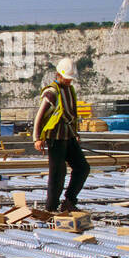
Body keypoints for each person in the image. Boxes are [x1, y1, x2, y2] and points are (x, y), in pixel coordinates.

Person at [33, 58, 89, 213]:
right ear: (59, 75)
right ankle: (50, 208)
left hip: (68, 136)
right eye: (67, 77)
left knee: (82, 168)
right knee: (57, 175)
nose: (70, 80)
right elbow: (39, 116)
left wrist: (75, 133)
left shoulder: (70, 90)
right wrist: (37, 138)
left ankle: (69, 201)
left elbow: (72, 113)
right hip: (55, 138)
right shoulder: (51, 92)